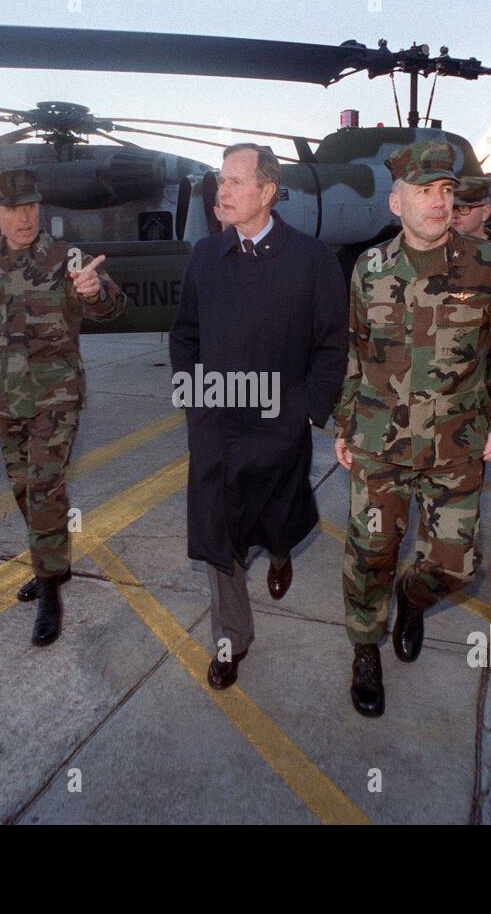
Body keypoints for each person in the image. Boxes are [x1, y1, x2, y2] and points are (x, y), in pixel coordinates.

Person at [333, 141, 491, 717]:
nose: (438, 202)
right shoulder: (369, 269)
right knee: (370, 552)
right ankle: (364, 647)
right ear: (396, 203)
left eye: (447, 192)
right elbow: (356, 353)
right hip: (379, 443)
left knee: (456, 565)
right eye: (424, 192)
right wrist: (345, 424)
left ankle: (413, 598)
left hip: (458, 443)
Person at [168, 143, 347, 690]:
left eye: (236, 181)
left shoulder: (312, 260)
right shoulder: (204, 256)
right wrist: (196, 400)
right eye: (221, 180)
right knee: (217, 528)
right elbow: (185, 335)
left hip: (279, 424)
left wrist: (307, 413)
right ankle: (231, 639)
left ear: (268, 192)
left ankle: (281, 549)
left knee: (277, 511)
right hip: (216, 424)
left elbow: (331, 346)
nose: (222, 191)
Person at [0, 169, 125, 647]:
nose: (25, 218)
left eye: (32, 207)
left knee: (44, 485)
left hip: (56, 397)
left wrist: (93, 292)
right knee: (24, 488)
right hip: (6, 398)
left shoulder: (67, 258)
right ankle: (54, 562)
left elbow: (112, 303)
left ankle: (49, 586)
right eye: (14, 209)